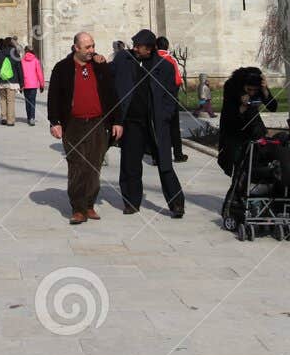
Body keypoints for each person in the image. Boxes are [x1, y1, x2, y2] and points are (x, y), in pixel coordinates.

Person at [48, 32, 123, 224]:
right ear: (76, 48)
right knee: (77, 166)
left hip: (98, 123)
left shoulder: (100, 66)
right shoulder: (62, 68)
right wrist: (54, 122)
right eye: (87, 47)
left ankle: (89, 204)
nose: (92, 50)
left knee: (94, 166)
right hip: (73, 124)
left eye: (93, 46)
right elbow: (53, 96)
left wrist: (117, 121)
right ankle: (78, 208)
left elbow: (112, 94)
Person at [111, 28, 185, 217]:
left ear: (150, 48)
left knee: (165, 164)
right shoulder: (123, 59)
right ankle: (131, 202)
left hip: (156, 123)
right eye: (134, 45)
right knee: (130, 163)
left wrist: (165, 115)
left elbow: (171, 97)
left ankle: (176, 203)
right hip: (132, 121)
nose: (135, 48)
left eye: (139, 46)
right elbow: (108, 74)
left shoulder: (164, 67)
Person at [216, 66, 277, 176]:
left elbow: (273, 107)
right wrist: (242, 108)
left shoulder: (260, 87)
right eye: (249, 89)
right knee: (237, 167)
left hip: (254, 128)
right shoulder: (231, 87)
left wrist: (265, 91)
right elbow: (229, 117)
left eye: (255, 90)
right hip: (234, 131)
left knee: (257, 164)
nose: (252, 93)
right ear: (243, 85)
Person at [157, 35, 190, 162]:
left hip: (156, 98)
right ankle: (178, 154)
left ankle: (157, 157)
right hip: (170, 98)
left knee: (157, 128)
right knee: (174, 128)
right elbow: (177, 80)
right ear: (167, 46)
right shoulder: (171, 59)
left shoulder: (151, 60)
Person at [0, 37, 22, 126]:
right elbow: (19, 69)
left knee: (2, 99)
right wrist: (22, 82)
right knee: (10, 101)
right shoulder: (16, 55)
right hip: (12, 81)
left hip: (1, 80)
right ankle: (10, 120)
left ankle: (4, 117)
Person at [19, 43, 45, 125]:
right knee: (32, 101)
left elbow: (20, 73)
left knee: (27, 101)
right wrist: (42, 84)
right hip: (33, 84)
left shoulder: (22, 61)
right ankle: (32, 118)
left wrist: (20, 84)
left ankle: (28, 117)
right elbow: (39, 73)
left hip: (25, 84)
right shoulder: (36, 60)